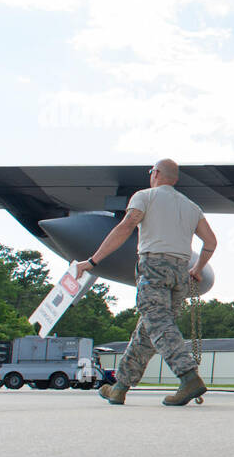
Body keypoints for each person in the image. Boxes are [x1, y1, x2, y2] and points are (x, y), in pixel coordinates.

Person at [78, 158, 217, 406]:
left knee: (159, 324)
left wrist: (93, 261)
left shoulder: (145, 197)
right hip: (180, 272)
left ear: (156, 173)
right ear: (175, 179)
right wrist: (197, 269)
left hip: (154, 267)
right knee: (147, 331)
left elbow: (126, 226)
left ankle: (189, 377)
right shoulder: (191, 207)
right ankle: (119, 387)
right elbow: (211, 242)